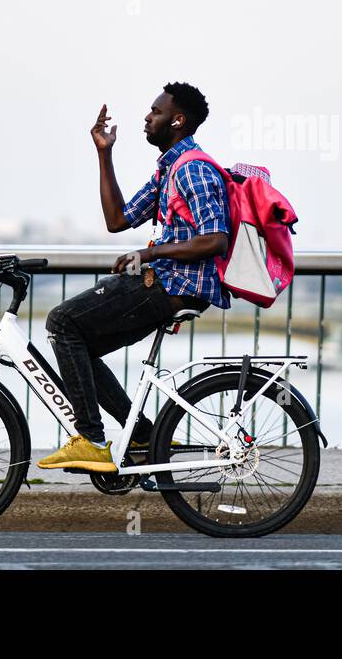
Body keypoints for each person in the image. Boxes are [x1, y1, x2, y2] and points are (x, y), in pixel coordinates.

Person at [36, 82, 231, 473]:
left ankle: (91, 440)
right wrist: (103, 153)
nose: (146, 117)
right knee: (80, 346)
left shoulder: (192, 167)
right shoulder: (170, 169)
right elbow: (117, 220)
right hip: (167, 284)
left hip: (173, 285)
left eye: (155, 112)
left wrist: (149, 253)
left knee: (62, 322)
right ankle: (140, 434)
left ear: (177, 120)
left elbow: (215, 238)